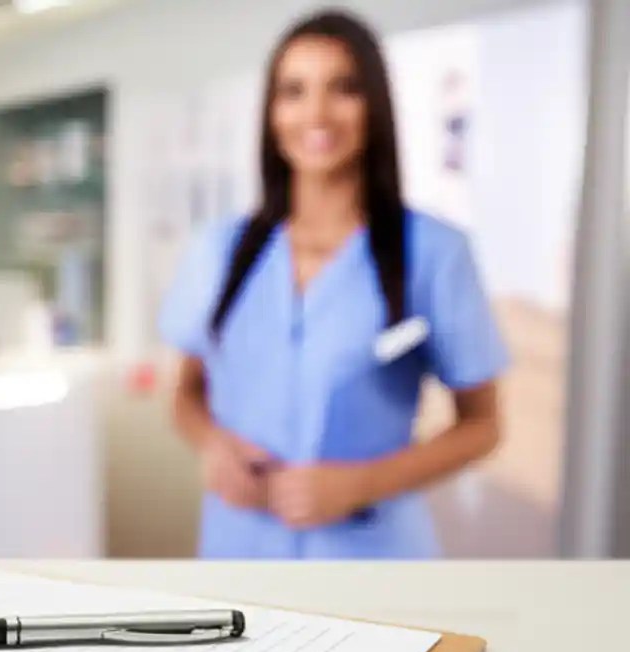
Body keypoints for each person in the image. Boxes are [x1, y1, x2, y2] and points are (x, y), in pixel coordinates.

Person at [158, 10, 507, 559]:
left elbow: (483, 425)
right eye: (294, 91)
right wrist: (213, 446)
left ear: (375, 106)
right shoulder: (219, 250)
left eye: (343, 88)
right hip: (239, 549)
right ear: (272, 113)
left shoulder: (435, 252)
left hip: (373, 555)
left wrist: (362, 484)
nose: (316, 113)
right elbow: (185, 393)